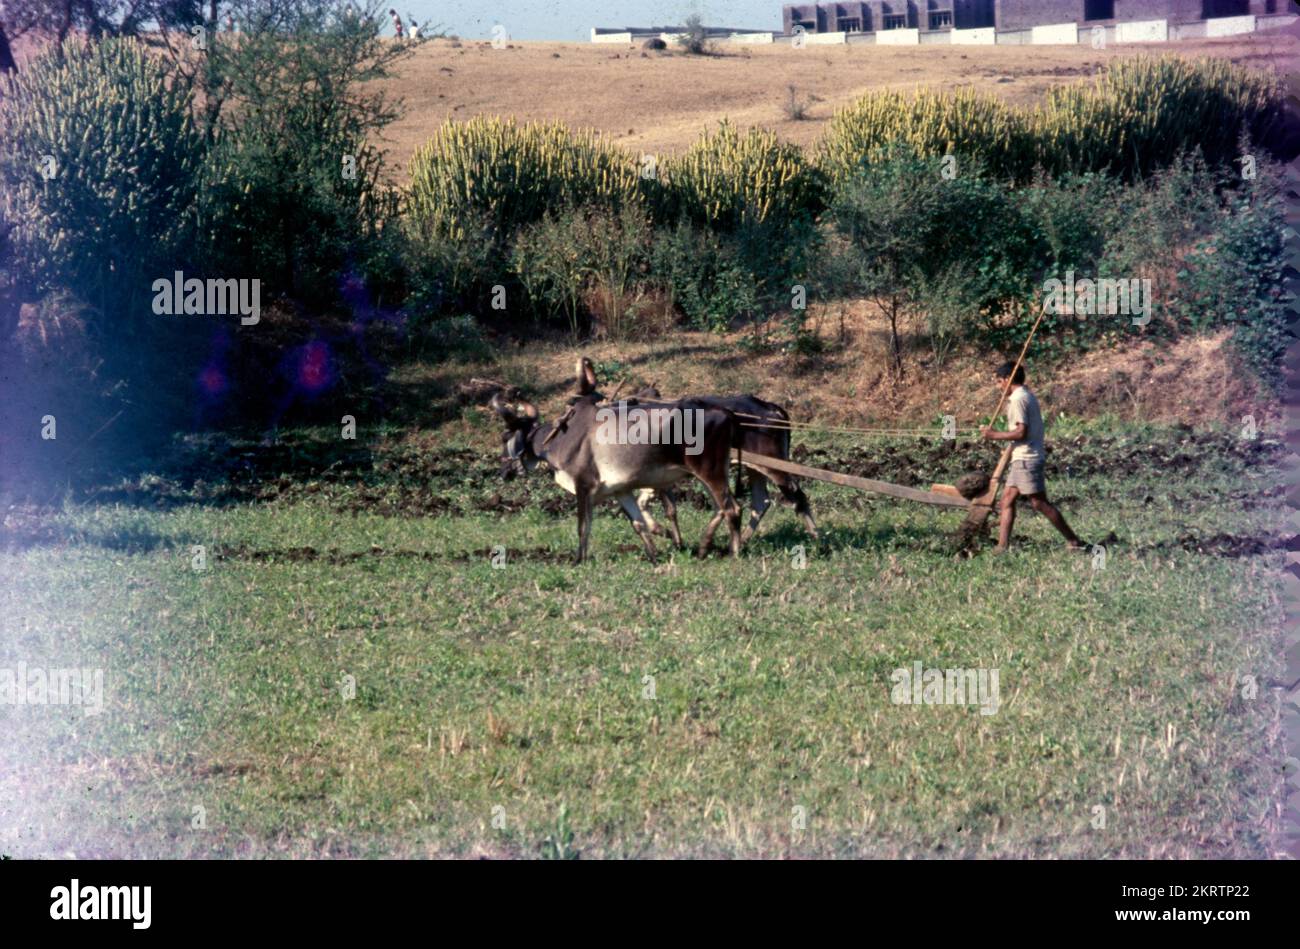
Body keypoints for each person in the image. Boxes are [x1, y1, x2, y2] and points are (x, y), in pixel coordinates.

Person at [980, 361, 1083, 553]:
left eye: (999, 382)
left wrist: (994, 435)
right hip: (1022, 456)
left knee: (1039, 503)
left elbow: (1021, 433)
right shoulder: (1025, 395)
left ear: (1007, 380)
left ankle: (1074, 541)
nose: (998, 387)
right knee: (1007, 500)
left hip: (1027, 457)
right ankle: (1001, 547)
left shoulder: (1018, 399)